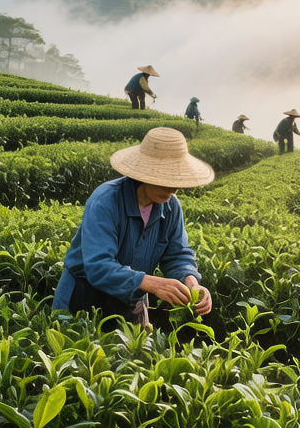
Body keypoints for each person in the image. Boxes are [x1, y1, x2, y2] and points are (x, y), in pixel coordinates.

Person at [52, 127, 215, 327]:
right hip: (83, 295)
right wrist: (152, 283)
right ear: (145, 173)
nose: (171, 189)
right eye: (165, 178)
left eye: (176, 180)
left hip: (127, 298)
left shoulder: (172, 207)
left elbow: (177, 255)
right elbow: (98, 266)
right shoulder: (106, 201)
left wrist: (191, 283)